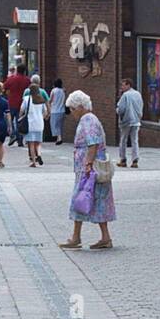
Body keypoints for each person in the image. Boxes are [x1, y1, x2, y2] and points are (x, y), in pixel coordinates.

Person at [59, 91, 115, 250]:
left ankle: (76, 237)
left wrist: (88, 164)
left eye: (72, 109)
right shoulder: (90, 118)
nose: (71, 113)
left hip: (89, 169)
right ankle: (104, 237)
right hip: (92, 168)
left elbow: (93, 143)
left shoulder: (88, 120)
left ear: (80, 107)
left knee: (81, 198)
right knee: (97, 201)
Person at [21, 75, 49, 168]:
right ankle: (39, 154)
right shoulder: (41, 100)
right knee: (38, 142)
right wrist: (43, 117)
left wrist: (21, 117)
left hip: (30, 123)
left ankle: (33, 161)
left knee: (31, 143)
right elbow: (45, 111)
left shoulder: (26, 98)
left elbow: (22, 110)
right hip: (39, 123)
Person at [116, 77, 143, 168]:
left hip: (127, 121)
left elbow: (121, 109)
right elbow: (141, 106)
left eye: (123, 85)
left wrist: (118, 111)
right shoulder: (138, 94)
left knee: (123, 140)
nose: (121, 87)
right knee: (135, 140)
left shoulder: (125, 95)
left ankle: (123, 159)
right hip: (136, 121)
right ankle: (135, 160)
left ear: (128, 85)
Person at [3, 64, 31, 147]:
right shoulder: (27, 80)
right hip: (22, 104)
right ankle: (20, 140)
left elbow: (4, 87)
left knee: (8, 120)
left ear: (17, 70)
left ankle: (13, 134)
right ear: (25, 71)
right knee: (20, 122)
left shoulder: (11, 79)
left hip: (11, 103)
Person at [49, 78, 66, 145]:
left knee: (54, 125)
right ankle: (59, 138)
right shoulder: (63, 91)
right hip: (62, 110)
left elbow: (50, 100)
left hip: (54, 110)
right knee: (59, 125)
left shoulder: (53, 91)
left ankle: (59, 138)